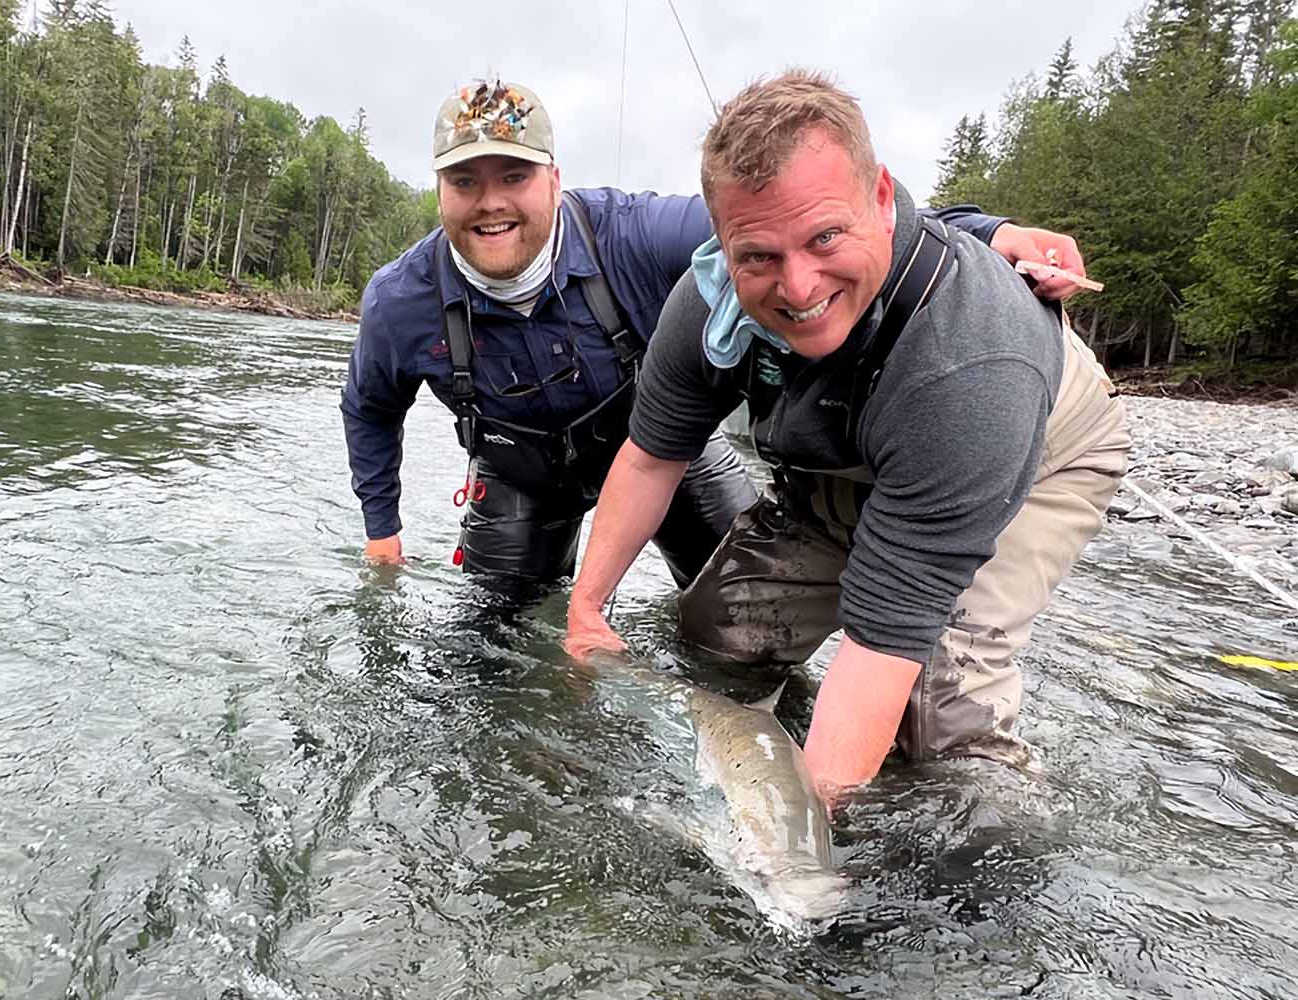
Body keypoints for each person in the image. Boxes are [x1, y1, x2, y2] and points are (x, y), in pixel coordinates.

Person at [564, 70, 1130, 807]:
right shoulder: (707, 308)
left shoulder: (970, 359)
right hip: (848, 445)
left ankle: (983, 842)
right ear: (723, 244)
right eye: (759, 256)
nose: (798, 288)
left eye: (824, 237)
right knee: (719, 638)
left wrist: (808, 839)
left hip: (1032, 455)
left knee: (936, 729)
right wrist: (586, 610)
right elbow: (651, 458)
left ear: (882, 199)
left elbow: (887, 629)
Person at [341, 77, 1087, 586]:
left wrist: (987, 233)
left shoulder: (635, 234)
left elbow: (816, 222)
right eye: (465, 181)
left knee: (734, 622)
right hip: (519, 482)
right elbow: (370, 410)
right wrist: (382, 530)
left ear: (554, 180)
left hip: (669, 454)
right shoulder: (398, 302)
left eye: (513, 176)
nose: (490, 203)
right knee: (493, 654)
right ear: (439, 191)